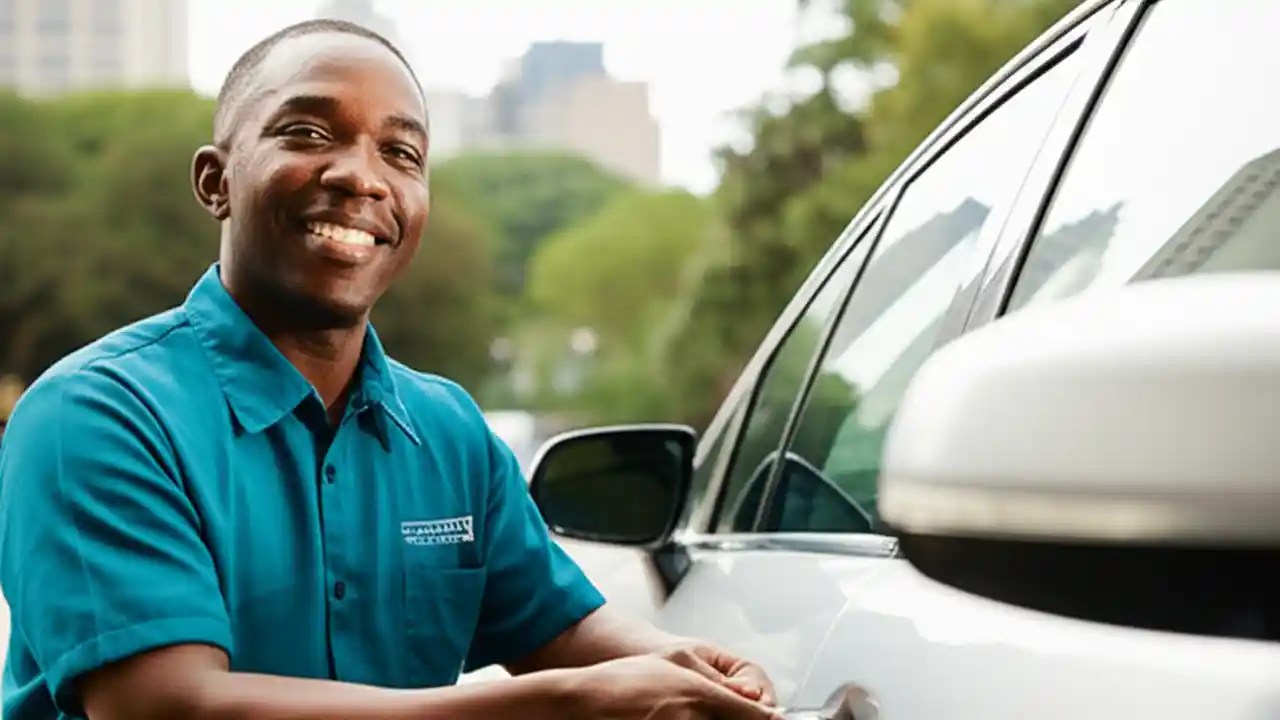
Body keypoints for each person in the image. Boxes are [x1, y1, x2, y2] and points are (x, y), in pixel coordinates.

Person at [0, 19, 781, 720]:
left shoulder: (448, 432)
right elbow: (168, 708)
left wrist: (678, 664)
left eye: (400, 152)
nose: (362, 176)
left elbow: (562, 628)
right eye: (307, 132)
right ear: (216, 181)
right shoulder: (93, 416)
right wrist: (564, 702)